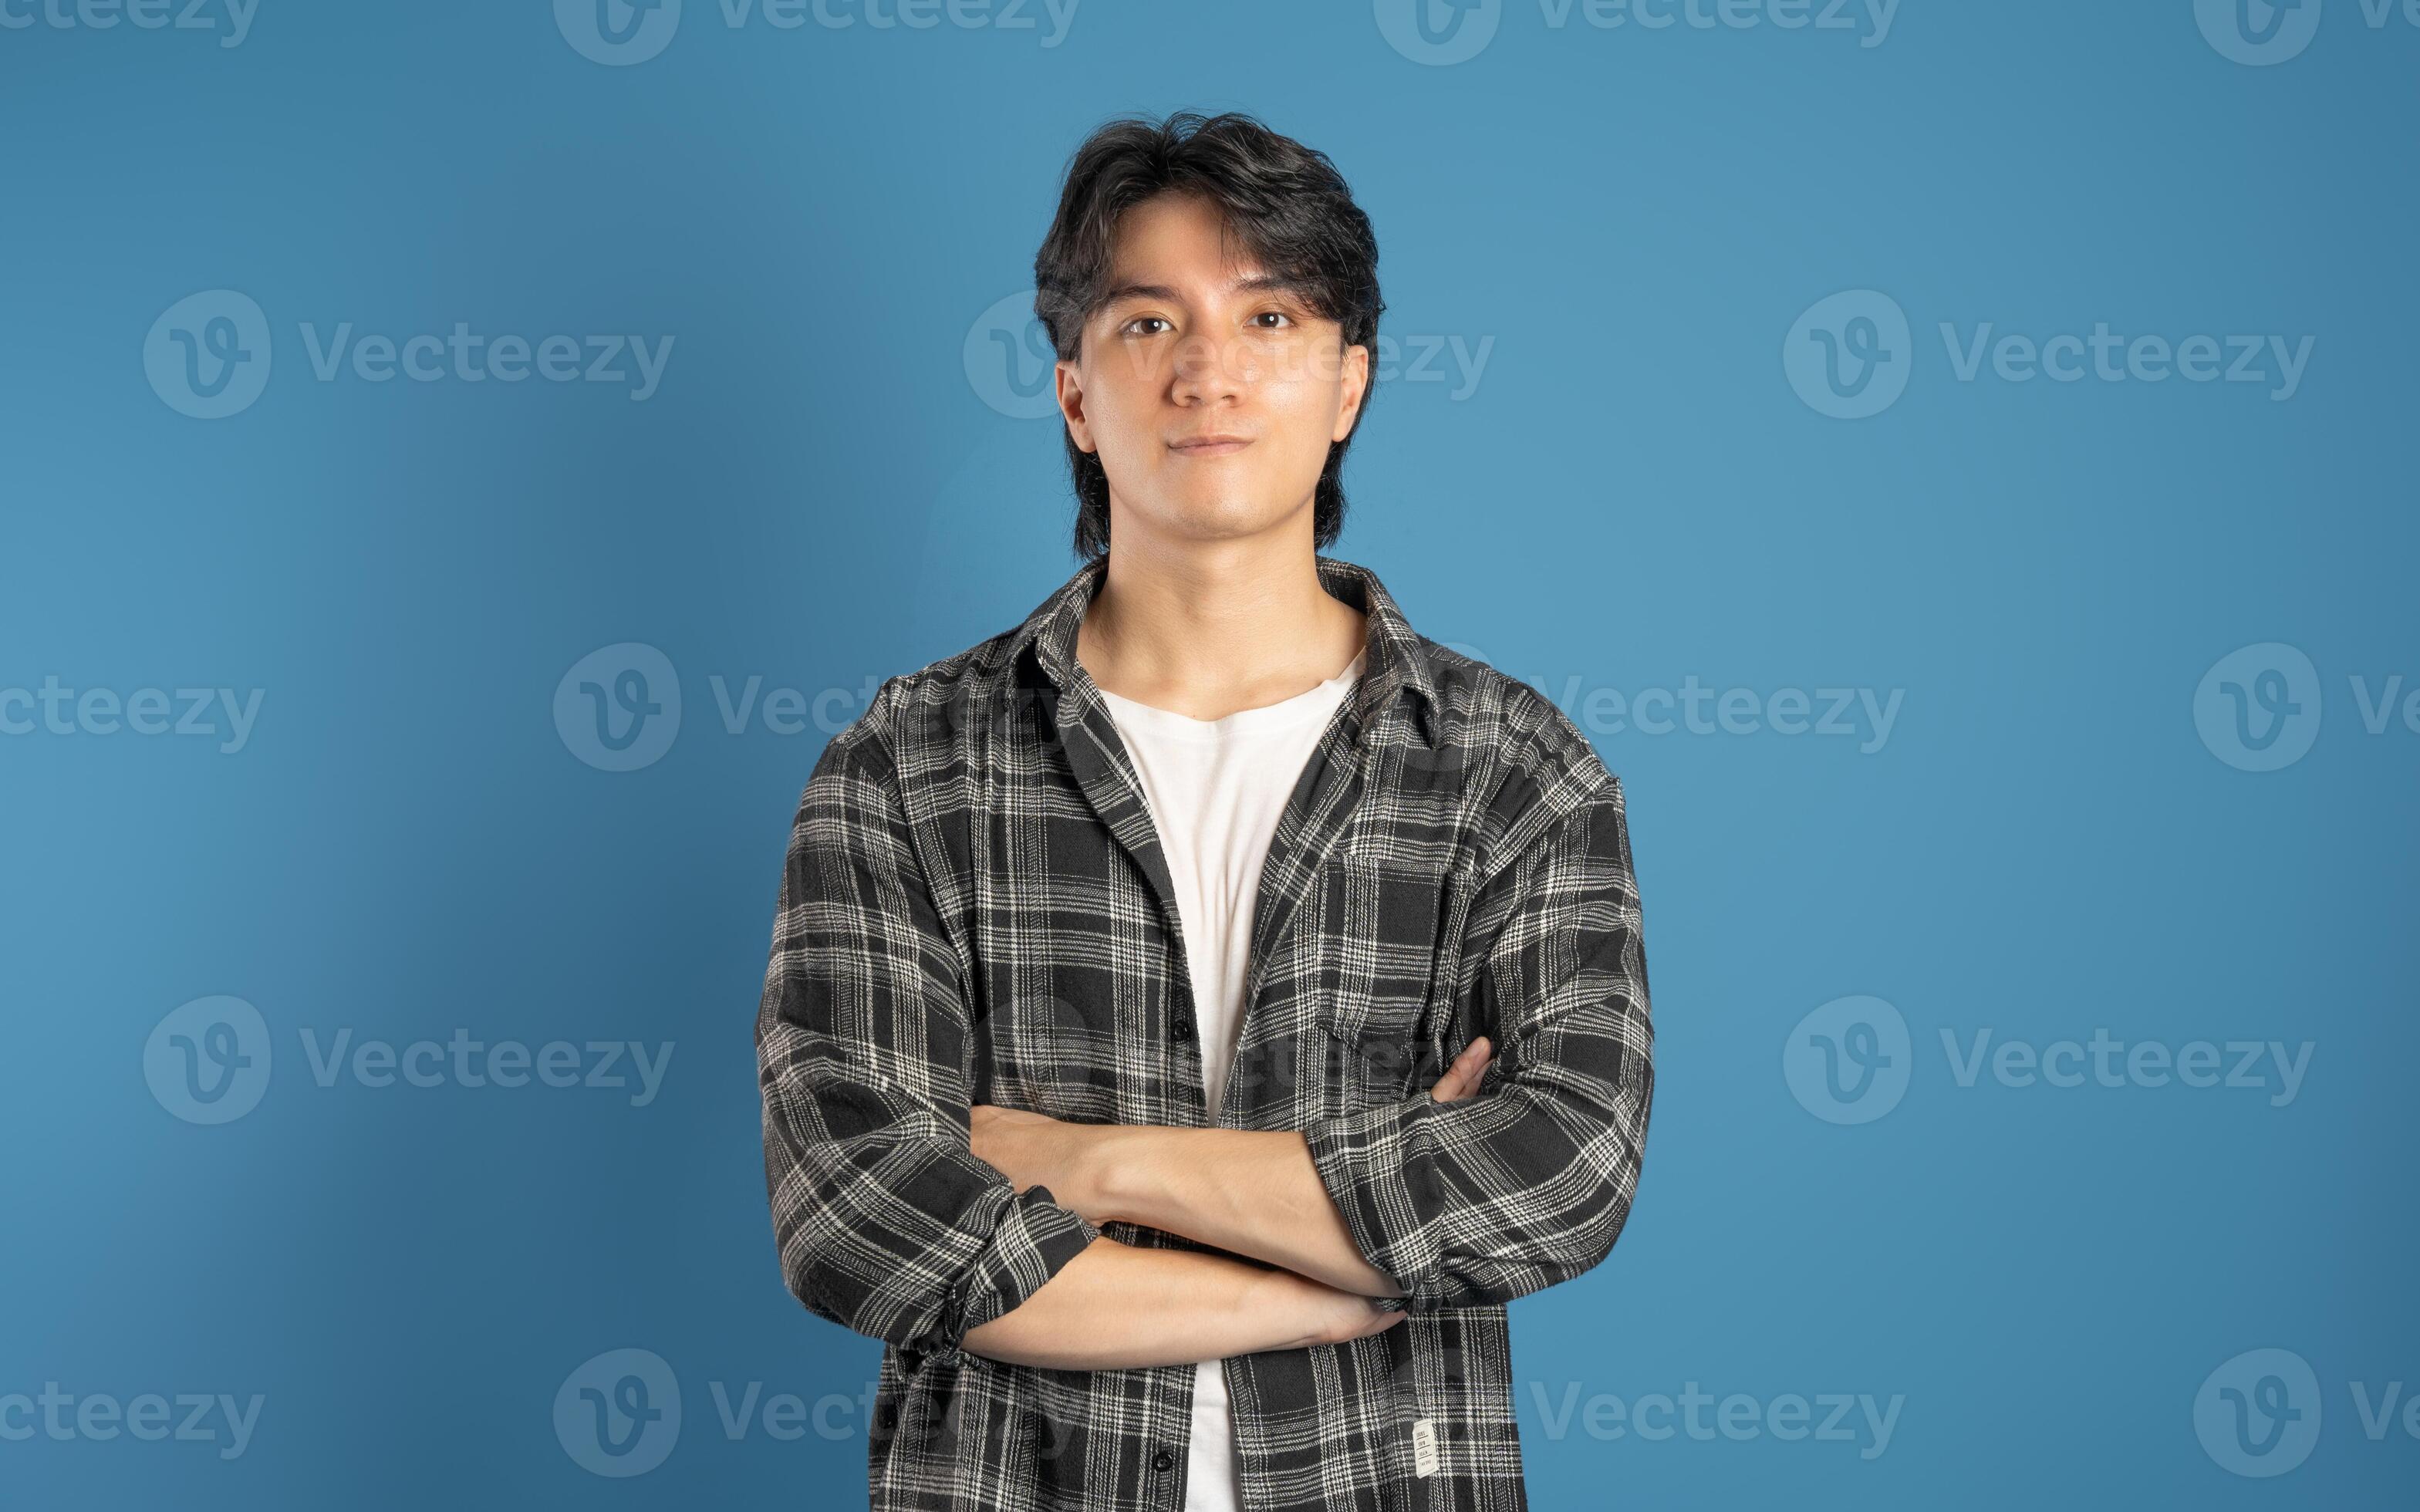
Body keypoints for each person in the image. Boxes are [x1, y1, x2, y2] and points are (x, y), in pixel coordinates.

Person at [754, 110, 1653, 1512]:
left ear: (1348, 382)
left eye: (1271, 318)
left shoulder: (1512, 772)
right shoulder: (906, 767)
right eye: (1146, 324)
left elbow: (1562, 1169)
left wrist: (1079, 1162)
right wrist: (1327, 1276)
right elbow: (857, 1220)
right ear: (1072, 394)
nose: (1209, 373)